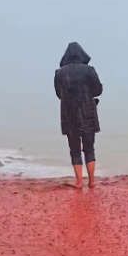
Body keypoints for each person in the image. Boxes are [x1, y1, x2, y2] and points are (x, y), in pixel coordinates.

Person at [54, 42, 103, 188]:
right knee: (89, 148)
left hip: (69, 115)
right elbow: (98, 90)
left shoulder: (59, 73)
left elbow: (59, 94)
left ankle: (79, 182)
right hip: (88, 112)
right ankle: (92, 181)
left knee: (74, 150)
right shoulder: (89, 70)